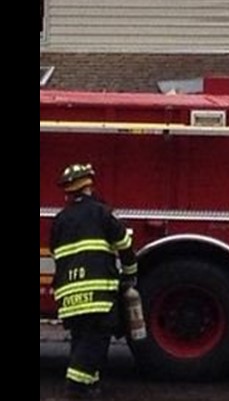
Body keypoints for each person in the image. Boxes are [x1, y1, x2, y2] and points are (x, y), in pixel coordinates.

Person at [50, 163, 138, 399]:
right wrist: (130, 274)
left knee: (81, 342)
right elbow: (125, 246)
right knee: (95, 343)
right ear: (89, 186)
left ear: (68, 192)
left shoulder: (60, 219)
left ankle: (90, 386)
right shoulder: (102, 213)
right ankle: (75, 386)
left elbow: (55, 253)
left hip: (69, 297)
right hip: (98, 297)